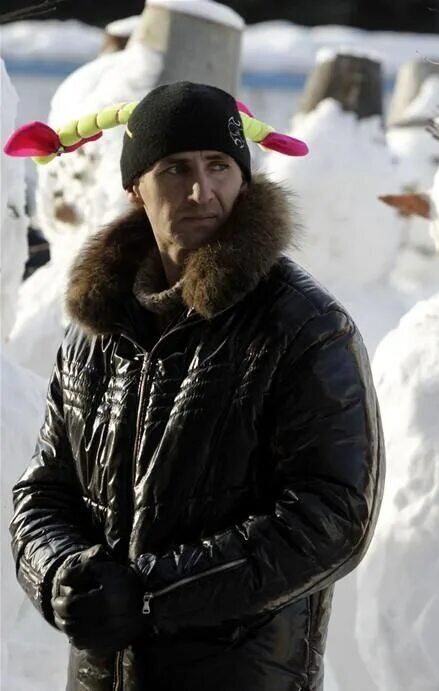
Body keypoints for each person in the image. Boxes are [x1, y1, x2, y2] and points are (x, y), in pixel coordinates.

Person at [6, 81, 384, 690]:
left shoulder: (303, 328)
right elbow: (44, 491)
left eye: (219, 167)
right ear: (136, 187)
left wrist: (154, 593)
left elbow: (332, 516)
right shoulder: (96, 330)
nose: (200, 190)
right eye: (174, 168)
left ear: (245, 178)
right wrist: (59, 575)